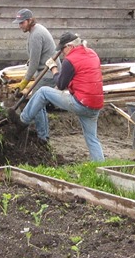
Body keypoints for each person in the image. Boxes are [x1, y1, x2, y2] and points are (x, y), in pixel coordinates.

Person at [17, 31, 105, 161]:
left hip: (81, 102)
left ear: (70, 46)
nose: (62, 52)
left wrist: (53, 68)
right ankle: (101, 169)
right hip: (95, 104)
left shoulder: (70, 60)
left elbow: (61, 84)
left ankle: (22, 120)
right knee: (92, 138)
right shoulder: (92, 54)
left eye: (63, 49)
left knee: (42, 92)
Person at [11, 8, 56, 92]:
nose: (20, 26)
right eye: (19, 23)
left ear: (30, 20)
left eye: (22, 23)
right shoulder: (36, 29)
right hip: (46, 72)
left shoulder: (36, 35)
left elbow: (34, 64)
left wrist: (24, 83)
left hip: (48, 74)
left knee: (35, 101)